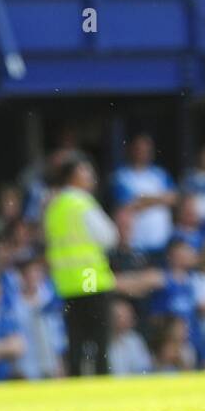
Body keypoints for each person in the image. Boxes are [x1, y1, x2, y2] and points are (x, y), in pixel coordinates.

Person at [44, 151, 118, 376]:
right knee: (100, 346)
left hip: (67, 284)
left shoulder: (53, 206)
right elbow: (110, 237)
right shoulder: (81, 202)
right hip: (92, 280)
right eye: (85, 171)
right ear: (73, 176)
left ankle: (75, 394)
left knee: (75, 343)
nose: (90, 176)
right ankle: (102, 392)